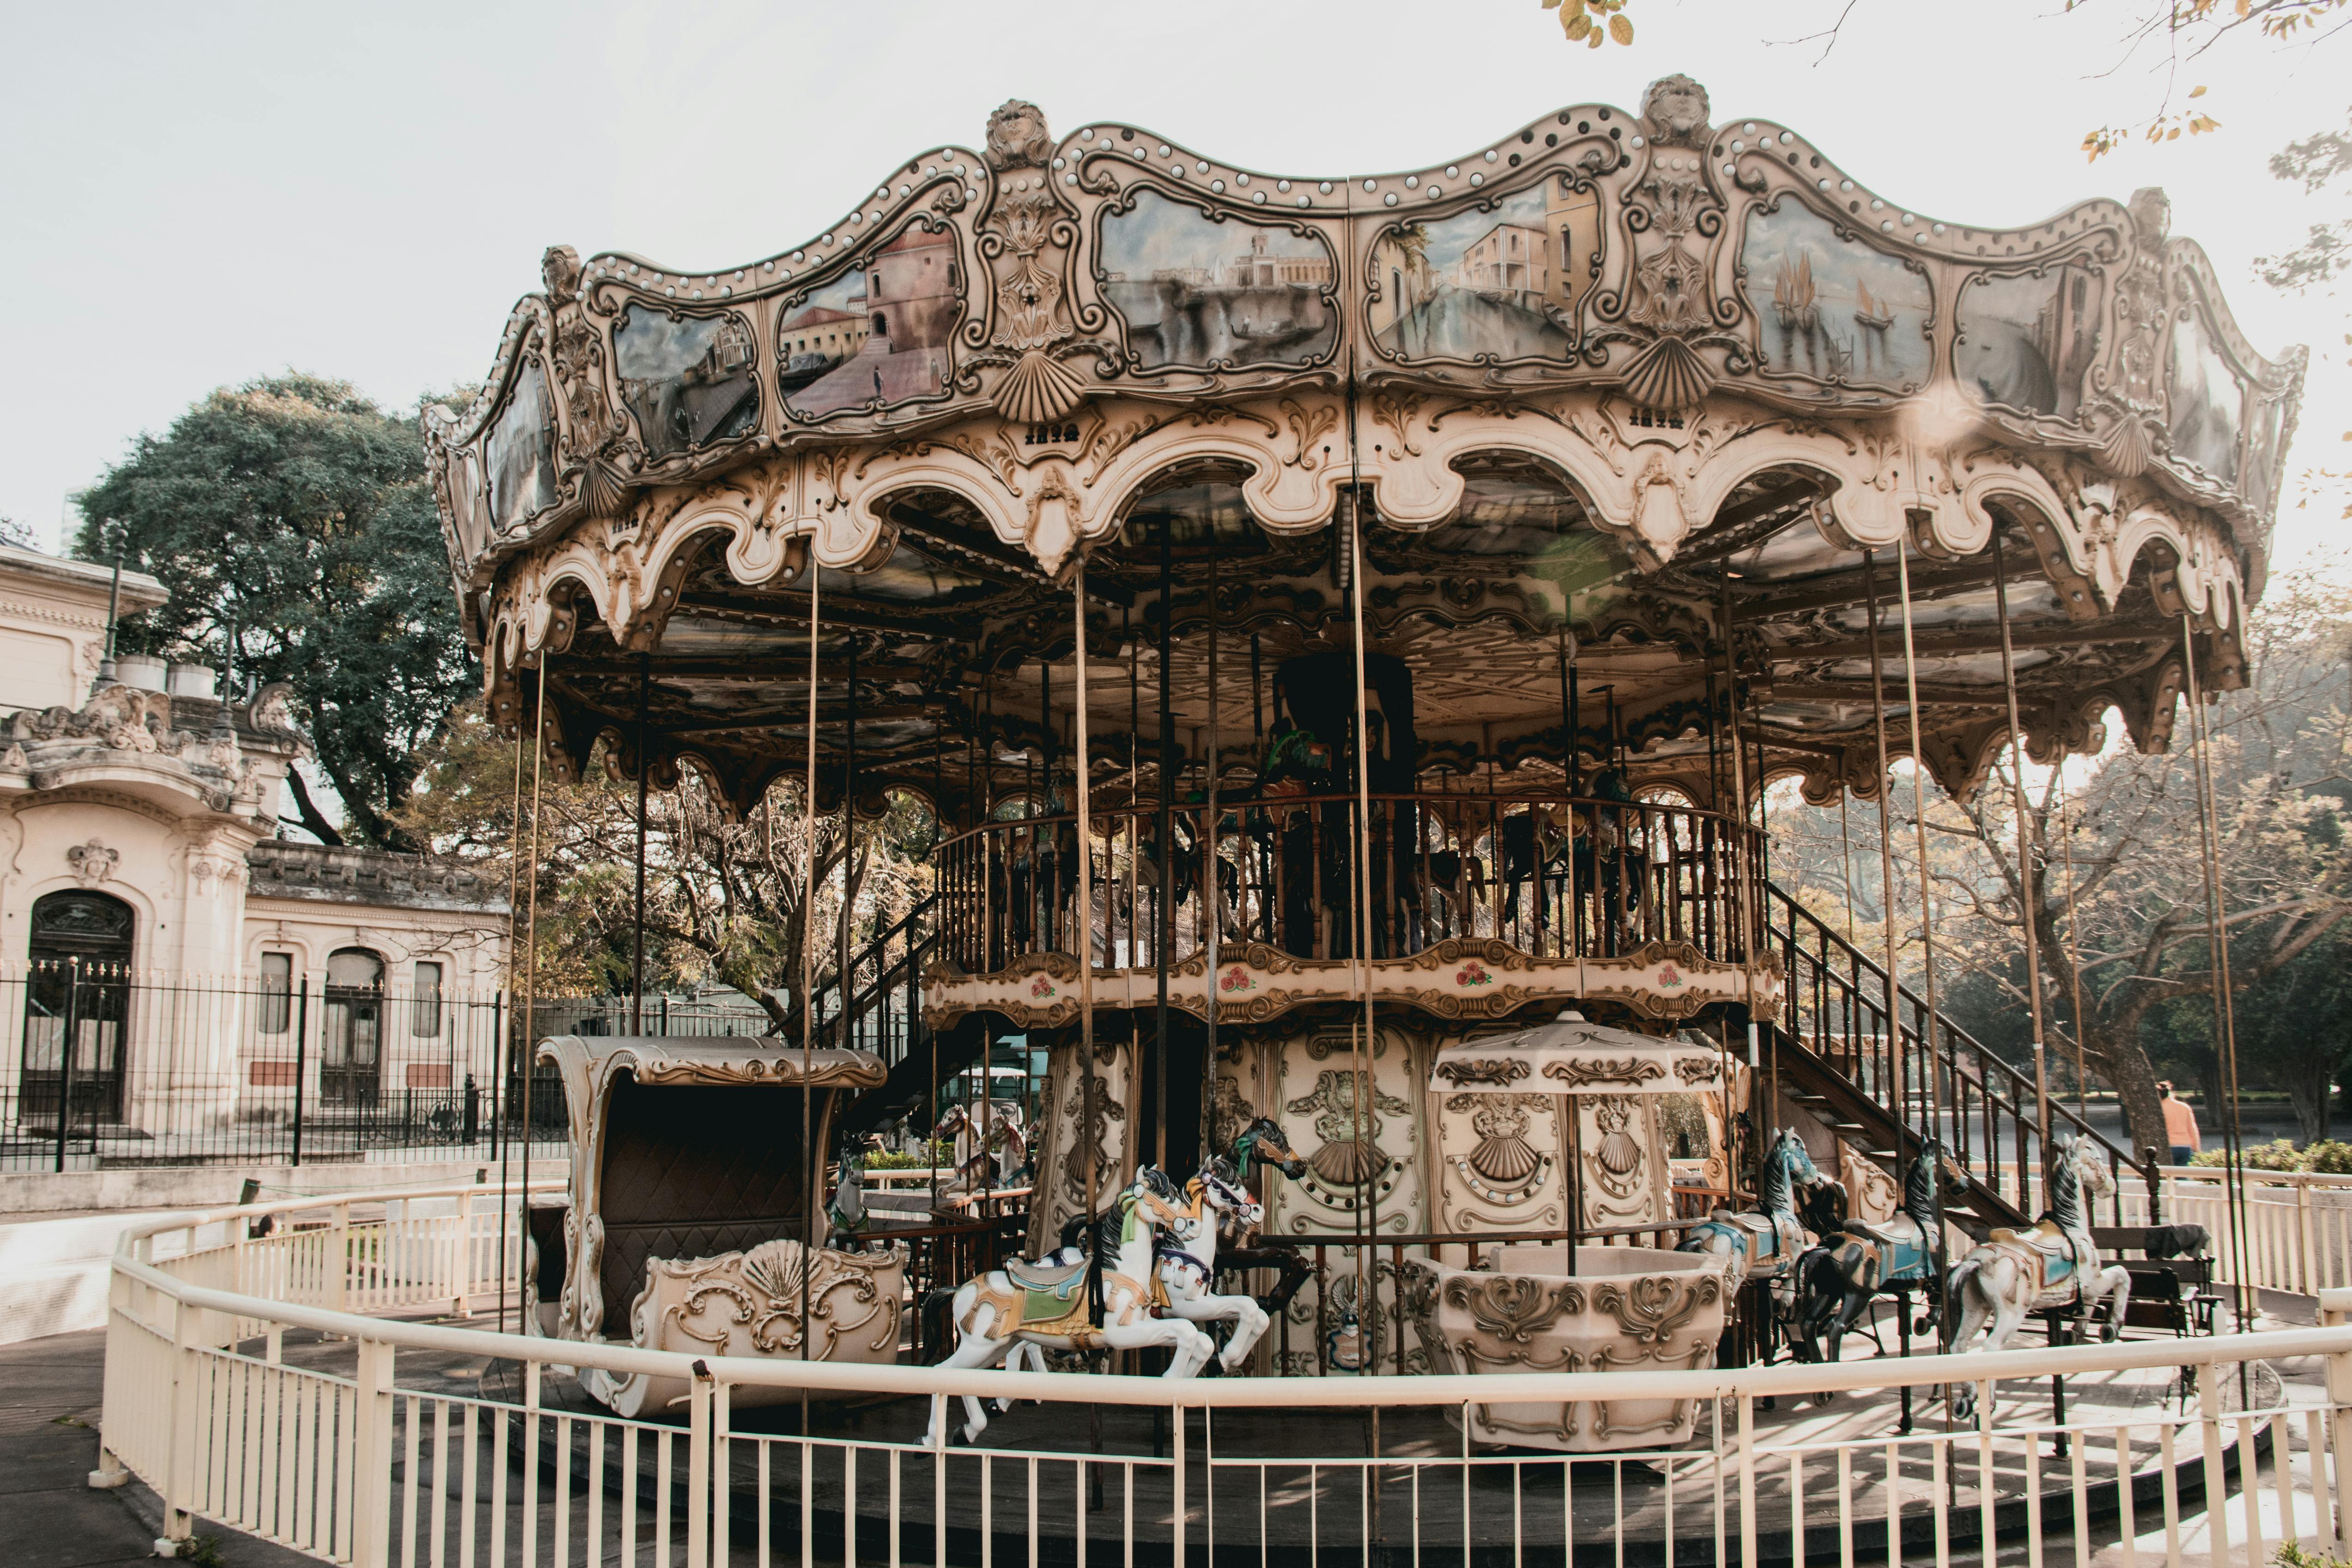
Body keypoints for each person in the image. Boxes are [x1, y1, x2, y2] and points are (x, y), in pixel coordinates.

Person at [2160, 1081, 2201, 1165]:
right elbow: (2192, 1128)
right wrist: (2196, 1148)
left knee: (2168, 1175)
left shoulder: (2160, 1109)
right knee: (2182, 1174)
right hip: (2185, 1146)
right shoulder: (2184, 1107)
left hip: (2169, 1146)